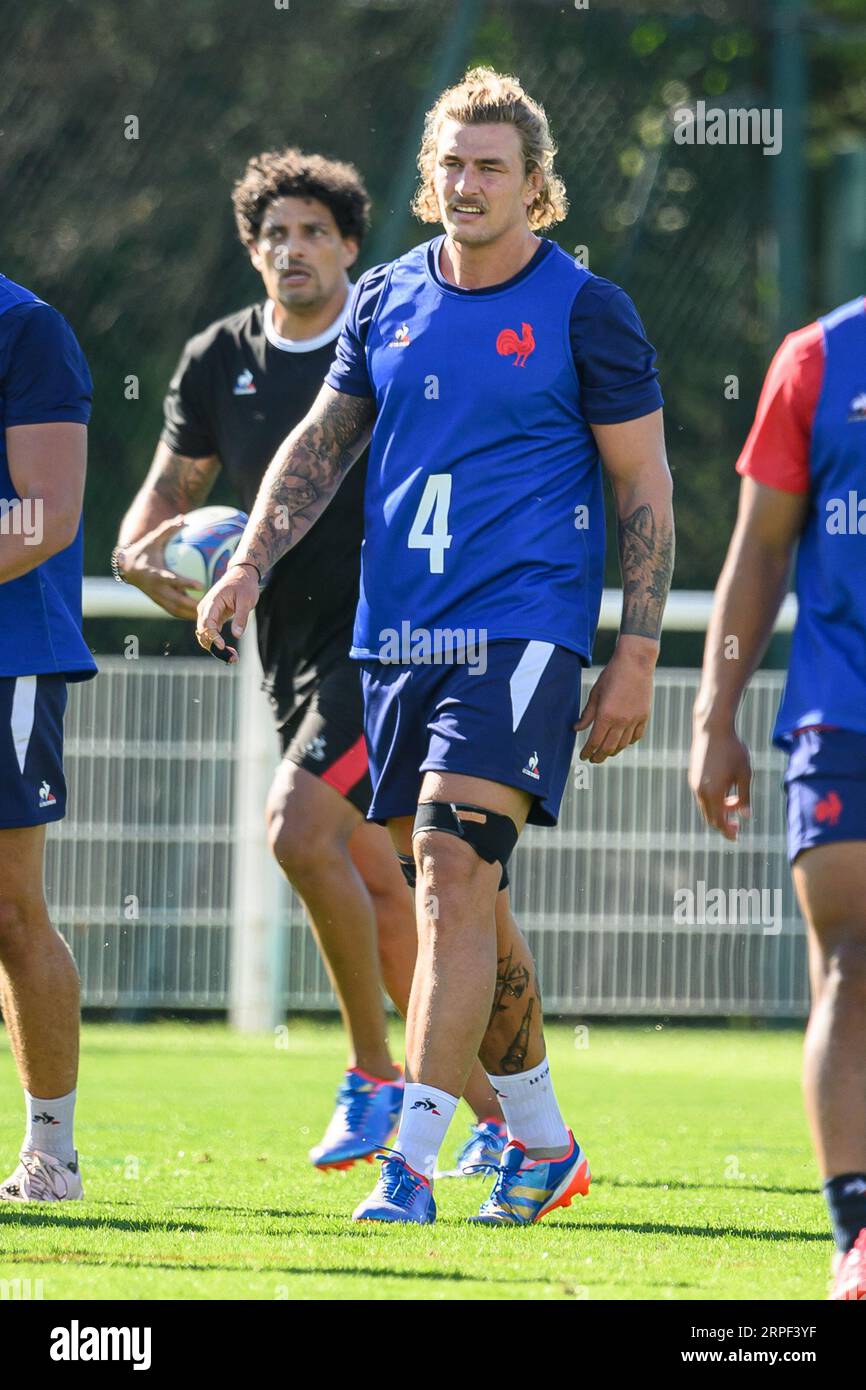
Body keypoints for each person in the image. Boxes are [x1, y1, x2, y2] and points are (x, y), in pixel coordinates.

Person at [196, 68, 673, 1226]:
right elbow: (321, 442)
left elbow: (640, 483)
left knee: (452, 875)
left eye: (491, 166)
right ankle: (544, 1138)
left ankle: (412, 1161)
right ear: (428, 178)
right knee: (457, 893)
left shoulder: (583, 308)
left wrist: (635, 651)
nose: (466, 184)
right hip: (394, 640)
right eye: (450, 164)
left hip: (521, 631)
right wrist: (250, 560)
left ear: (535, 185)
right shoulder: (387, 301)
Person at [115, 148, 506, 1173]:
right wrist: (136, 553)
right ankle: (509, 1120)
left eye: (311, 233)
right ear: (252, 251)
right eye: (272, 235)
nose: (291, 250)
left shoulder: (382, 337)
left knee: (293, 829)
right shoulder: (216, 358)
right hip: (285, 652)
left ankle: (372, 1072)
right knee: (385, 895)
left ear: (346, 246)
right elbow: (164, 496)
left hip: (386, 642)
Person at [690, 294, 866, 1300]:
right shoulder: (816, 361)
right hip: (840, 716)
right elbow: (759, 546)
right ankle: (855, 1235)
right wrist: (714, 714)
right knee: (849, 957)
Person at [0, 275, 96, 1201]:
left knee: (9, 911)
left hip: (9, 654)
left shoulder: (26, 329)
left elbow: (45, 513)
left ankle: (51, 1155)